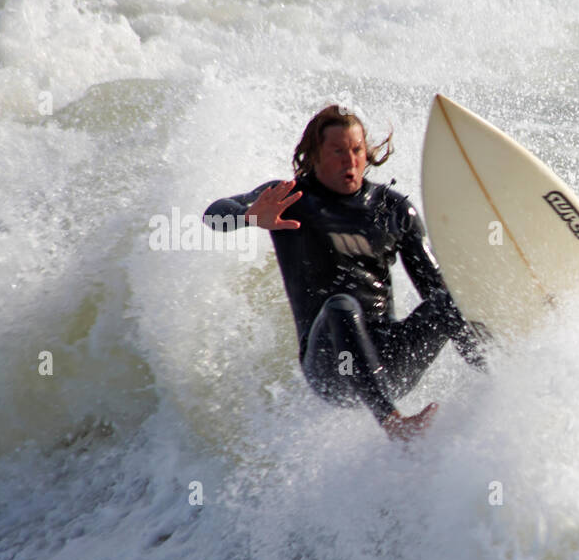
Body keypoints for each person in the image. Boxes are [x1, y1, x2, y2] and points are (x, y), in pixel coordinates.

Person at [204, 104, 483, 441]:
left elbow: (435, 289)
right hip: (331, 367)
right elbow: (214, 215)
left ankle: (499, 379)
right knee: (341, 305)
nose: (350, 161)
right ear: (314, 156)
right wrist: (249, 217)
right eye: (337, 151)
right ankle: (394, 424)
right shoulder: (290, 198)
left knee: (448, 302)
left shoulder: (394, 210)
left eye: (357, 150)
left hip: (390, 364)